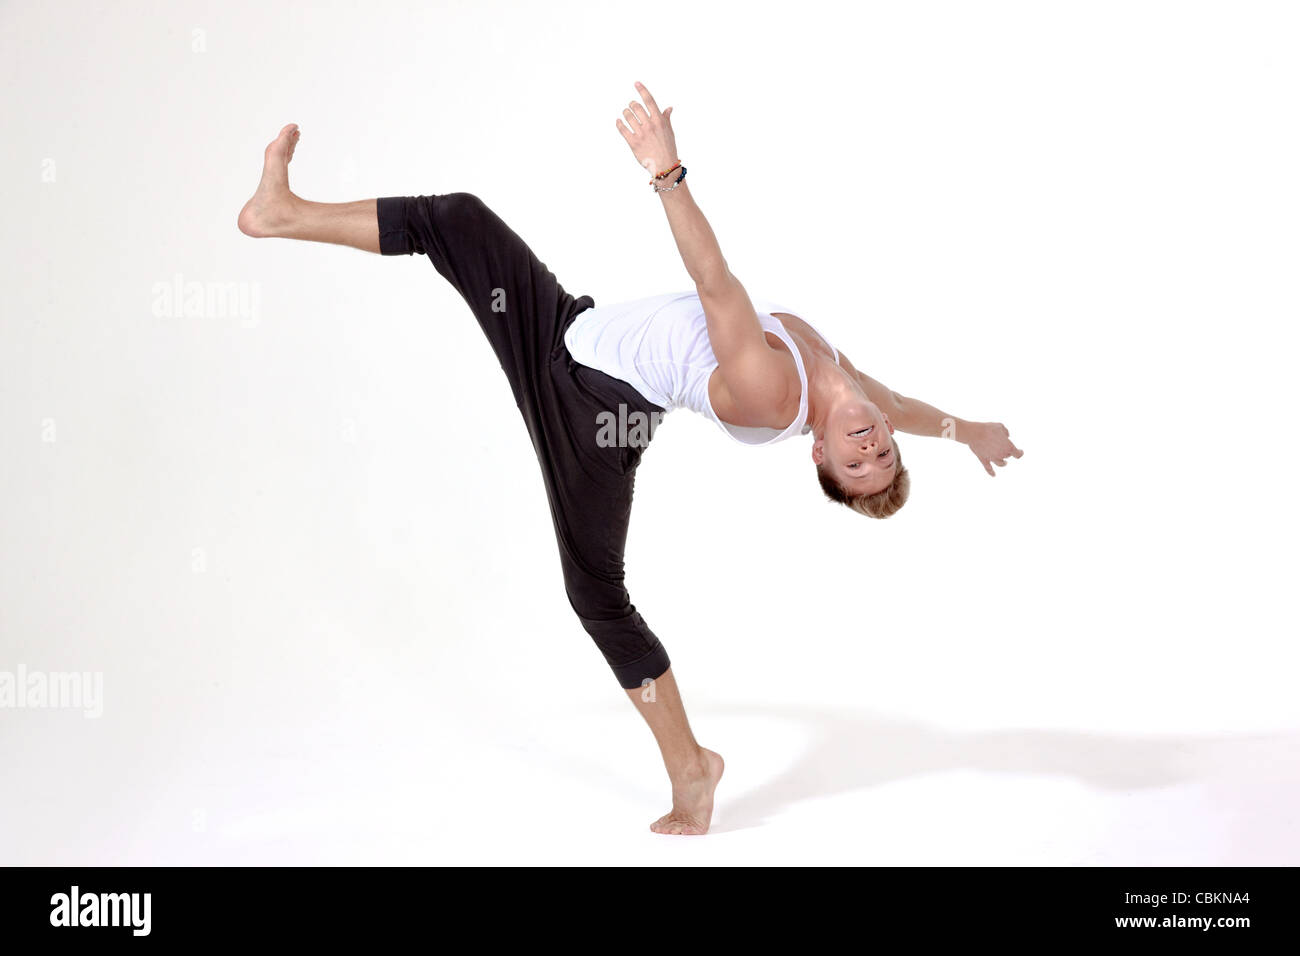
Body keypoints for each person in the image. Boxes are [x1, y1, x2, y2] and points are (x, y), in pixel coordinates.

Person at [237, 81, 1024, 835]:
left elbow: (715, 283)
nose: (873, 445)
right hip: (573, 334)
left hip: (588, 405)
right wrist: (970, 431)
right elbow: (909, 409)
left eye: (858, 466)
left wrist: (668, 173)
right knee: (459, 219)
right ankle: (282, 212)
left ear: (816, 453)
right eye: (882, 451)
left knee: (595, 593)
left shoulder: (775, 389)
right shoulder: (849, 383)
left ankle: (690, 769)